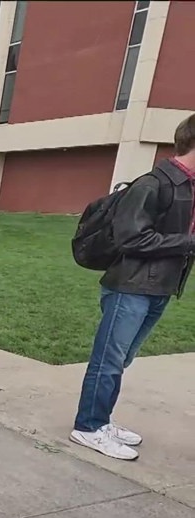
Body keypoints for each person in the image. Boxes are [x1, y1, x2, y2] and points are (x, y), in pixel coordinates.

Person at [70, 113, 195, 461]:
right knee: (108, 360)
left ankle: (101, 420)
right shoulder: (153, 184)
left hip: (158, 288)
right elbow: (131, 238)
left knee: (121, 359)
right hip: (130, 286)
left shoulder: (186, 186)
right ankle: (88, 427)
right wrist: (189, 243)